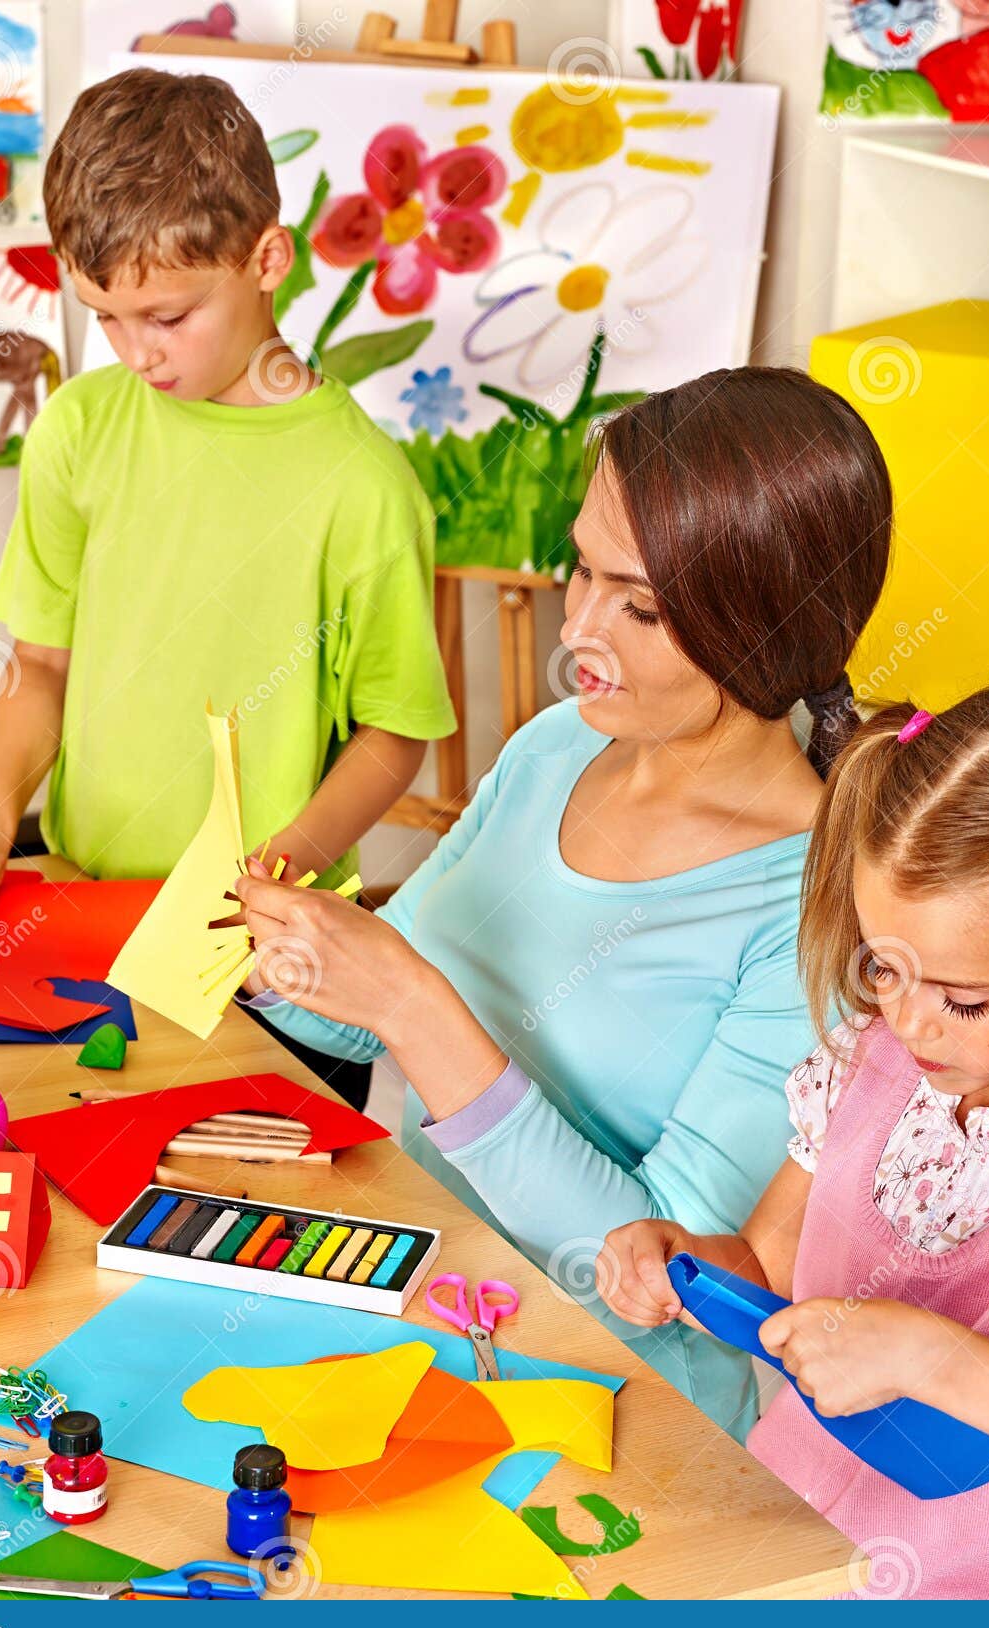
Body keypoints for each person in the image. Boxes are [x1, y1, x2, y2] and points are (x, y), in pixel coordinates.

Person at [234, 366, 891, 1438]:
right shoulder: (557, 748)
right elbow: (367, 982)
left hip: (618, 1418)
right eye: (579, 569)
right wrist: (271, 949)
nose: (579, 627)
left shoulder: (820, 907)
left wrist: (412, 1008)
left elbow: (663, 1280)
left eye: (638, 603)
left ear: (762, 626)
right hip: (423, 1308)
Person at [0, 69, 455, 1108]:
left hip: (262, 958)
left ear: (267, 259)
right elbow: (39, 663)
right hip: (80, 911)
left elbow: (394, 732)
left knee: (260, 1224)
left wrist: (269, 875)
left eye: (166, 315)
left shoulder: (362, 484)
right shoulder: (78, 428)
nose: (136, 352)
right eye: (105, 316)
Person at [598, 689, 989, 1597]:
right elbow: (766, 1259)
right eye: (884, 966)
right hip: (790, 1533)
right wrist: (689, 1265)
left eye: (964, 1000)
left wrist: (926, 1355)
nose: (908, 1022)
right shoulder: (866, 1067)